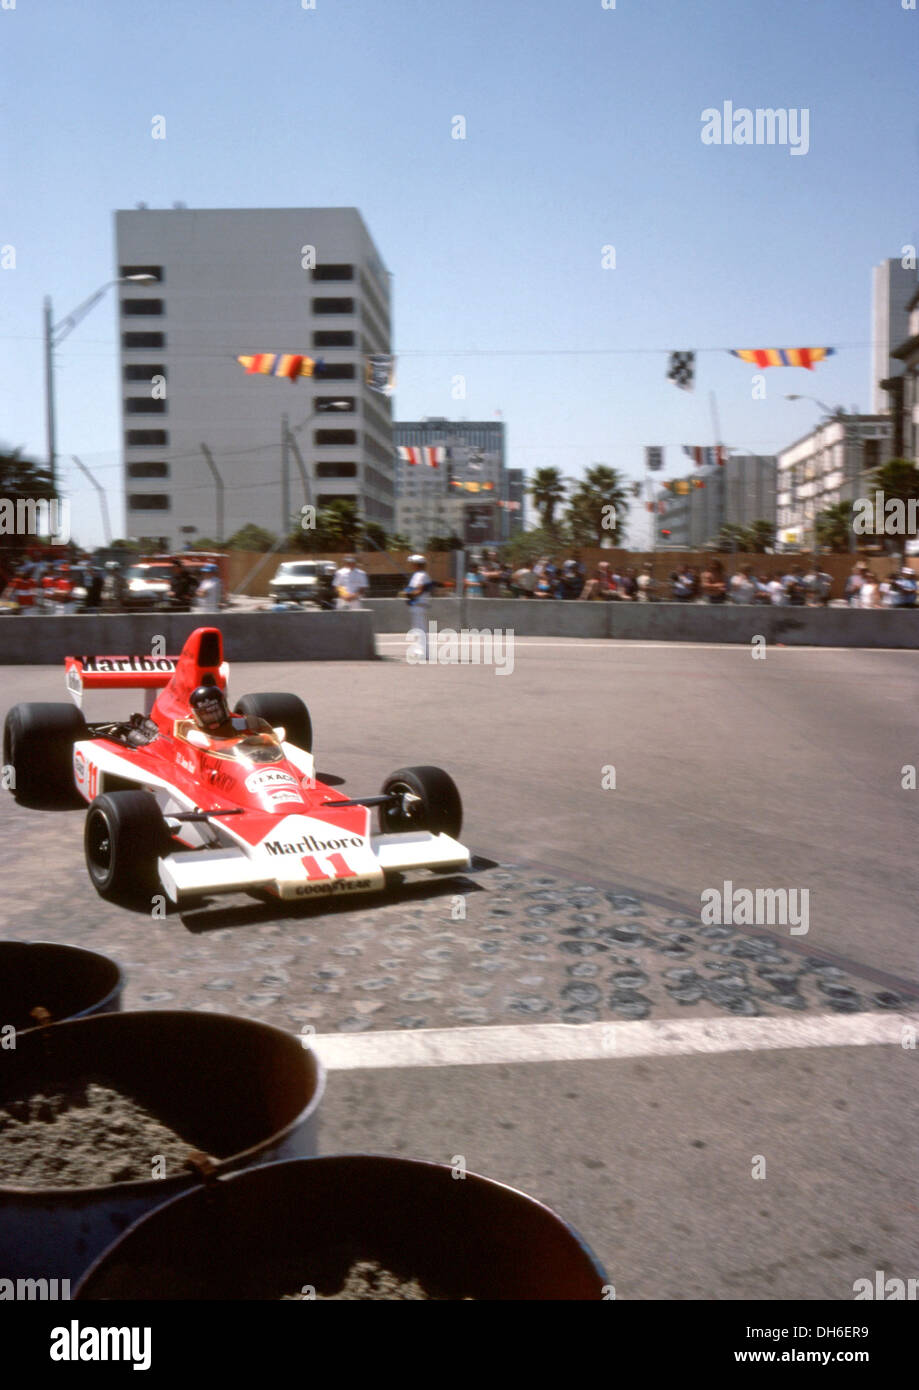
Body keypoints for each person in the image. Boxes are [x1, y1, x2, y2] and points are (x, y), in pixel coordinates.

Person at [189, 684, 273, 739]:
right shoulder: (189, 728)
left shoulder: (243, 723)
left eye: (216, 711)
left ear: (224, 707)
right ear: (197, 715)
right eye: (206, 715)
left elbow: (271, 738)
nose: (213, 718)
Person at [402, 553, 434, 660]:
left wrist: (409, 594)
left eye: (413, 563)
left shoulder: (422, 575)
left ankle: (424, 653)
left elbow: (419, 590)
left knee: (421, 629)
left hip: (419, 605)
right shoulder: (416, 575)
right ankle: (418, 650)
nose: (411, 565)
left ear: (417, 564)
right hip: (415, 605)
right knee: (416, 629)